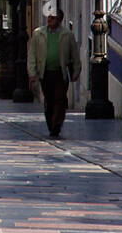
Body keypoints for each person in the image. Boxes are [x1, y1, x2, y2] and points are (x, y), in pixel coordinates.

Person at [27, 8, 82, 138]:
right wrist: (32, 72)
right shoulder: (38, 33)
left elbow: (74, 54)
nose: (49, 19)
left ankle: (56, 126)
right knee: (49, 101)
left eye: (53, 18)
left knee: (60, 99)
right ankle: (51, 124)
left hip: (60, 73)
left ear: (59, 20)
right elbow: (32, 54)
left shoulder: (67, 35)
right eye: (49, 17)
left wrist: (76, 71)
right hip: (45, 73)